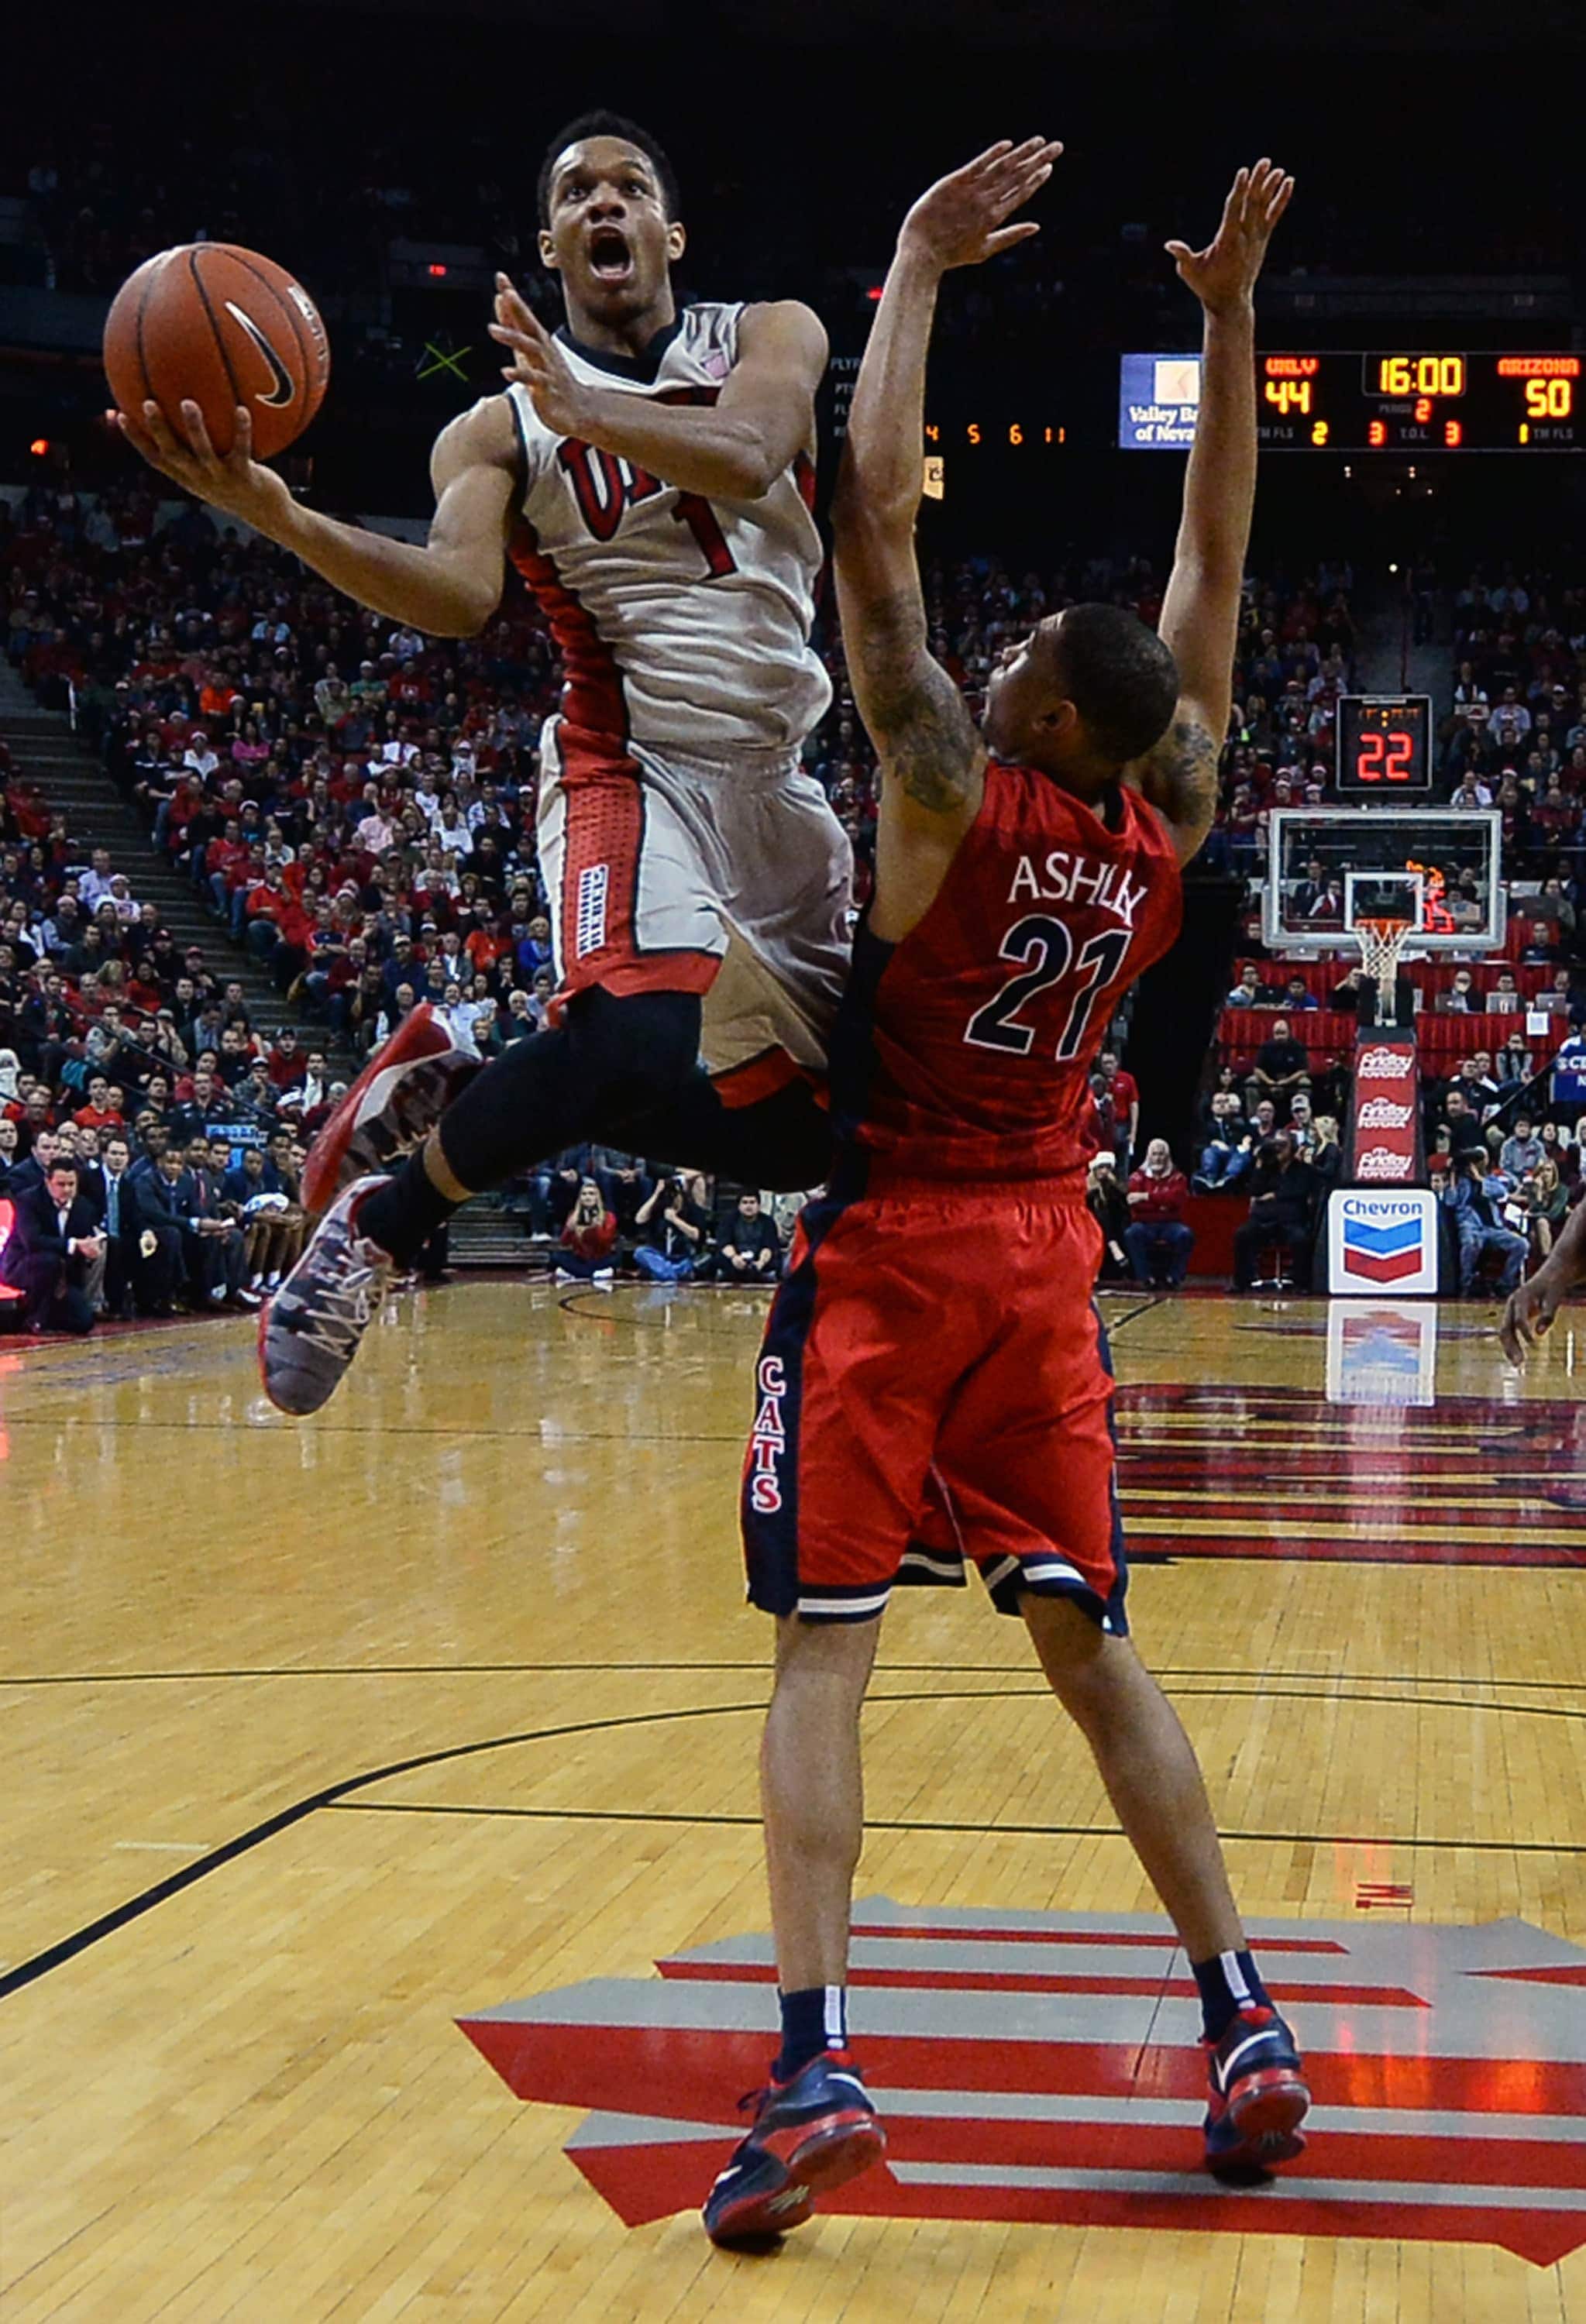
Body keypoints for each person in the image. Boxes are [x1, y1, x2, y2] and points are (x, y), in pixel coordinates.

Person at [704, 150, 1306, 2248]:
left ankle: (810, 2064)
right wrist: (1226, 322)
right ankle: (1238, 2012)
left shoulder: (949, 779)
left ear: (1036, 707)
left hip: (887, 1251)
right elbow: (1208, 562)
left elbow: (869, 523)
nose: (1000, 660)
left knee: (818, 1652)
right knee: (1084, 1640)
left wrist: (904, 269)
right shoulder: (1165, 813)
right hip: (1045, 1257)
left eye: (1023, 659)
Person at [126, 115, 851, 1415]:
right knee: (635, 1032)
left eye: (629, 184)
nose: (604, 203)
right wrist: (285, 517)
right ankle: (382, 1229)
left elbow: (751, 453)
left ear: (670, 233)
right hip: (630, 768)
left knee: (823, 1135)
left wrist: (596, 411)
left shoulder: (768, 331)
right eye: (577, 193)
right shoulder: (496, 428)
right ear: (552, 242)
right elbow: (459, 598)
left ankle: (460, 1072)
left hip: (781, 788)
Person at [0, 1157, 105, 1333]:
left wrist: (90, 1250)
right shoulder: (28, 1201)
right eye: (61, 1184)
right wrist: (73, 1245)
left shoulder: (84, 1207)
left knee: (83, 1322)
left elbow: (82, 1250)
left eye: (71, 1184)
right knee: (49, 1261)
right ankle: (36, 1319)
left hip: (63, 1276)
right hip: (23, 1266)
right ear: (48, 1182)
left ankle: (46, 1315)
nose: (67, 1190)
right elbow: (33, 1241)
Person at [1231, 1130, 1316, 1292]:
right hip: (1265, 1220)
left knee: (1301, 1239)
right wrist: (1260, 1164)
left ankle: (1301, 1283)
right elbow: (1255, 1190)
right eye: (1276, 1146)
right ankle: (1242, 1281)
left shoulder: (1303, 1170)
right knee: (1242, 1234)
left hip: (1291, 1220)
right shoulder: (1267, 1169)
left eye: (1283, 1146)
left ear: (1292, 1148)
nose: (1279, 1149)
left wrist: (1274, 1195)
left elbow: (1300, 1191)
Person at [1443, 1152, 1527, 1296]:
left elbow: (1501, 1192)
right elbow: (1451, 1202)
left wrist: (1480, 1179)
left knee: (1521, 1244)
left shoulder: (1489, 1180)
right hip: (1471, 1227)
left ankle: (1505, 1282)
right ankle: (1466, 1284)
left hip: (1494, 1228)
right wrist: (1452, 1177)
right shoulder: (1460, 1182)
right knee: (1471, 1244)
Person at [1124, 1139, 1194, 1288]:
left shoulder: (1178, 1178)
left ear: (1167, 1156)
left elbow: (1176, 1200)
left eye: (1161, 1154)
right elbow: (1135, 1204)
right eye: (1154, 1154)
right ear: (1149, 1156)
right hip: (1144, 1224)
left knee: (1185, 1234)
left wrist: (1146, 1197)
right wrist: (1162, 1203)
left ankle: (1174, 1278)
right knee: (1132, 1233)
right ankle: (1146, 1278)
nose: (1158, 1158)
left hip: (1170, 1224)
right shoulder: (1137, 1177)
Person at [631, 1167, 710, 1281]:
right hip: (660, 1255)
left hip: (682, 1256)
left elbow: (696, 1235)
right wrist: (656, 1194)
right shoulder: (659, 1208)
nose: (673, 1198)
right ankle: (671, 1274)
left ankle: (665, 1274)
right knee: (640, 1252)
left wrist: (675, 1220)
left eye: (676, 1194)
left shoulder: (692, 1209)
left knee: (697, 1262)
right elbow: (639, 1219)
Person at [556, 1177, 618, 1283]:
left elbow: (605, 1241)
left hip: (601, 1258)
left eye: (591, 1194)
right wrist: (569, 1229)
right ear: (580, 1198)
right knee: (556, 1257)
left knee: (615, 1260)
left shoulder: (608, 1217)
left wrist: (596, 1228)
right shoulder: (573, 1215)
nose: (587, 1197)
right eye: (584, 1194)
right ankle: (591, 1274)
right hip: (581, 1259)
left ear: (597, 1197)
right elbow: (564, 1243)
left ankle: (576, 1274)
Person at [714, 1189, 783, 1283]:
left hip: (760, 1261)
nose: (748, 1206)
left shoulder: (768, 1222)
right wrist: (734, 1258)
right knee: (720, 1259)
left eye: (752, 1202)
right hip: (735, 1260)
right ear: (739, 1206)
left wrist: (761, 1262)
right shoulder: (728, 1220)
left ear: (759, 1205)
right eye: (745, 1202)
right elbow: (725, 1243)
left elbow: (769, 1246)